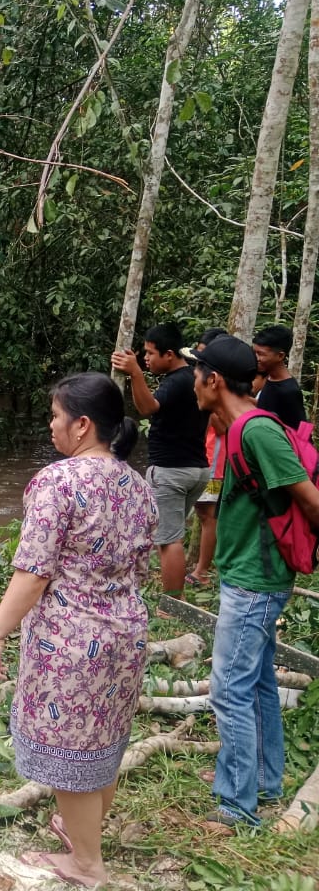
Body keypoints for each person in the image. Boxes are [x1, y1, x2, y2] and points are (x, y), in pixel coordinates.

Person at [0, 372, 155, 888]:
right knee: (104, 741)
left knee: (73, 750)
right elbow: (142, 565)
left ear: (81, 425)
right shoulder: (138, 485)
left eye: (55, 416)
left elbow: (33, 574)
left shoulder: (59, 482)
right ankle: (83, 831)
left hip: (73, 644)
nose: (50, 425)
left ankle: (87, 864)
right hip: (127, 634)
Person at [192, 336, 319, 828]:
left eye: (198, 375)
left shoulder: (257, 431)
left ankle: (236, 805)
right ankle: (263, 780)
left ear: (215, 379)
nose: (193, 385)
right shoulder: (234, 428)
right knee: (259, 681)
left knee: (228, 690)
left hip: (256, 582)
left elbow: (308, 499)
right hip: (247, 575)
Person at [110, 323, 209, 596]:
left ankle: (172, 605)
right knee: (170, 533)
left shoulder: (177, 381)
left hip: (172, 470)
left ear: (169, 354)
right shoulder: (193, 376)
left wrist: (134, 373)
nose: (146, 358)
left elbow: (147, 408)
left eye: (150, 353)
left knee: (169, 540)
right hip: (196, 468)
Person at [184, 328, 228, 588]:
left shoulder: (219, 390)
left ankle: (202, 570)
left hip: (215, 459)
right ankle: (200, 565)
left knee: (207, 515)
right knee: (203, 513)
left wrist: (206, 408)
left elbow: (223, 427)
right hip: (204, 456)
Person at [252, 325, 307, 429]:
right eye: (254, 352)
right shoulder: (269, 378)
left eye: (261, 354)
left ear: (280, 356)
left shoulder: (289, 390)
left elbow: (300, 430)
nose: (256, 358)